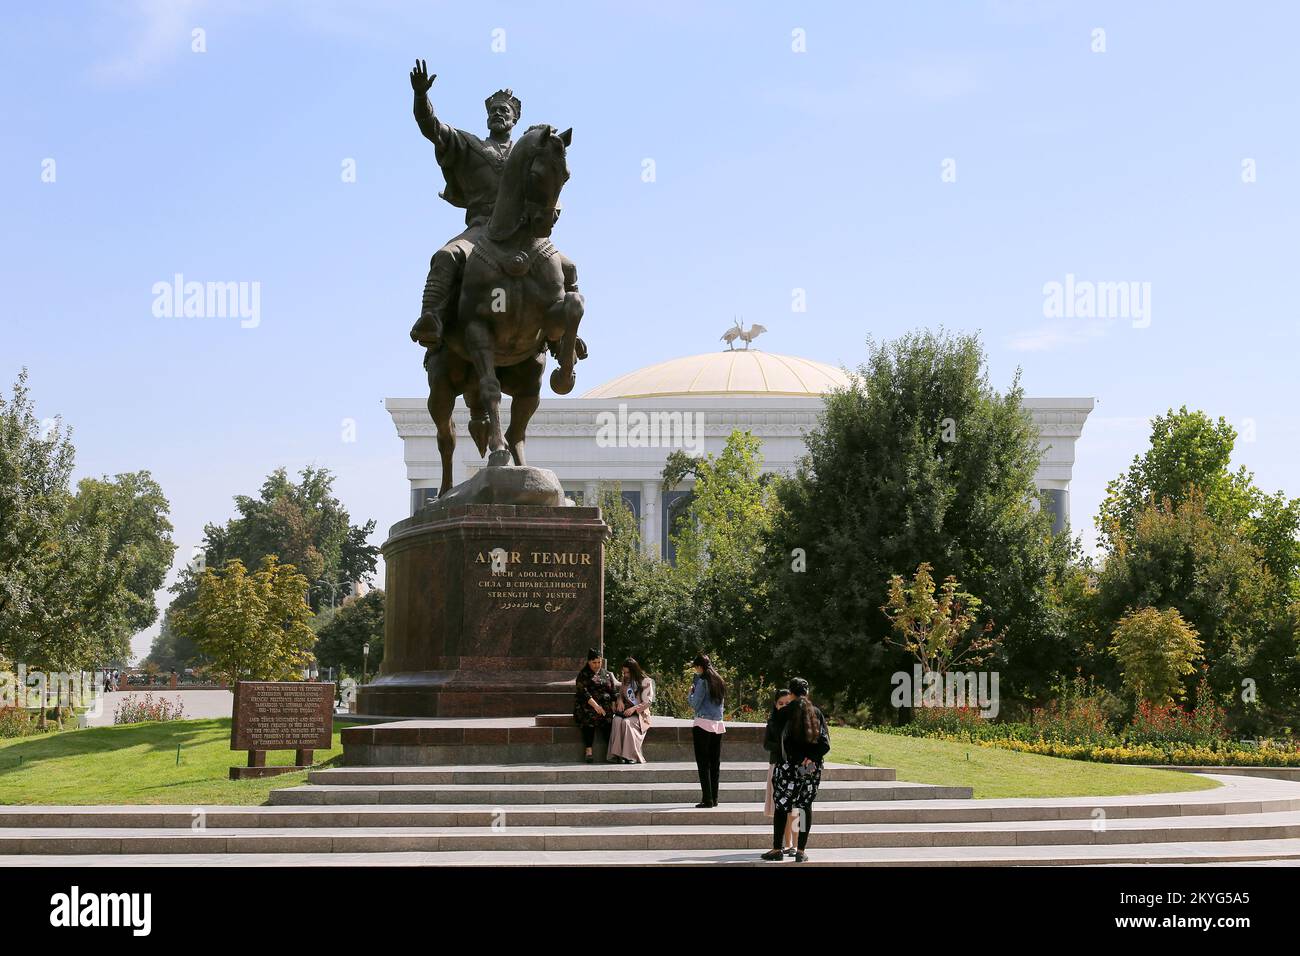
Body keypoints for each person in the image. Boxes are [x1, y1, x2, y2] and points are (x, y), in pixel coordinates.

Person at [761, 677, 830, 863]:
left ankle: (777, 848)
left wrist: (798, 757)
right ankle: (801, 850)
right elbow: (825, 744)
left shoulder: (784, 713)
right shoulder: (816, 713)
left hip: (787, 768)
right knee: (805, 808)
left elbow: (782, 741)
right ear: (807, 693)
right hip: (810, 770)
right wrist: (810, 758)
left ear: (790, 693)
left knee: (782, 807)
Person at [687, 653, 726, 808]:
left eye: (696, 668)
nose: (696, 671)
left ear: (700, 667)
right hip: (718, 724)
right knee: (715, 763)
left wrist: (691, 693)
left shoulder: (702, 681)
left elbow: (695, 704)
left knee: (703, 763)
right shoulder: (719, 681)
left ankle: (707, 799)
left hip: (702, 723)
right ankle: (714, 798)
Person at [763, 688, 797, 854]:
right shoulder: (772, 722)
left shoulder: (798, 722)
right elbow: (766, 744)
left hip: (794, 768)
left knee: (795, 809)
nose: (783, 706)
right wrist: (783, 747)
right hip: (776, 766)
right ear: (775, 705)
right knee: (781, 809)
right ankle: (784, 843)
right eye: (780, 703)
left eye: (787, 703)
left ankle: (794, 845)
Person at [607, 658, 654, 764]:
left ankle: (630, 756)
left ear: (634, 670)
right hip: (625, 712)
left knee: (626, 723)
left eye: (627, 672)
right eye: (624, 672)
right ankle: (616, 755)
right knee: (617, 721)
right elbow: (620, 694)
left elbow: (648, 702)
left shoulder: (646, 681)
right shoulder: (625, 679)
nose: (625, 674)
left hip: (640, 715)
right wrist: (620, 701)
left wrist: (634, 709)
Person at [573, 649, 615, 763]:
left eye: (599, 662)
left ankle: (611, 751)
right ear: (588, 662)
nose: (597, 665)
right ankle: (589, 750)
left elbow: (612, 691)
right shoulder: (583, 675)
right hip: (587, 705)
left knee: (608, 718)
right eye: (594, 662)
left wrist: (616, 703)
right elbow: (583, 693)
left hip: (604, 706)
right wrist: (596, 706)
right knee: (590, 716)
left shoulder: (606, 674)